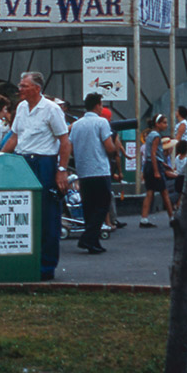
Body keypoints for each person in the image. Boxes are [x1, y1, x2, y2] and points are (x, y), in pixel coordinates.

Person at [2, 72, 70, 281]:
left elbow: (65, 141)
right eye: (20, 85)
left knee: (47, 216)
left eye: (24, 86)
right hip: (23, 161)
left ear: (36, 88)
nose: (20, 89)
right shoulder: (21, 108)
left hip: (44, 163)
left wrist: (61, 170)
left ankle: (46, 266)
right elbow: (15, 137)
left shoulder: (51, 110)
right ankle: (26, 261)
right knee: (23, 213)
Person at [68, 93, 116, 254]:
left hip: (83, 171)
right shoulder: (101, 122)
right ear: (97, 105)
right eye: (101, 104)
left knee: (89, 208)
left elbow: (71, 147)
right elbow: (109, 147)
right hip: (100, 169)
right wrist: (115, 150)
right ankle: (88, 238)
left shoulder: (76, 125)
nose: (102, 107)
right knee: (103, 205)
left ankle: (93, 242)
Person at [139, 114, 176, 228]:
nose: (166, 125)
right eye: (164, 122)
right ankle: (172, 218)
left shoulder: (150, 135)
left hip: (148, 165)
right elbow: (154, 154)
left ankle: (144, 218)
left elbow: (151, 154)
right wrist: (157, 171)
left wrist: (163, 164)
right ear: (157, 124)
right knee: (164, 192)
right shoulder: (156, 136)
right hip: (155, 166)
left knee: (150, 192)